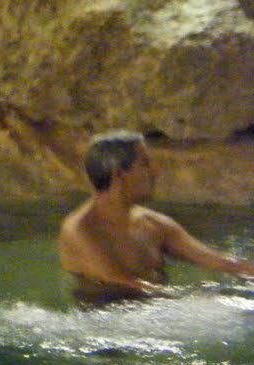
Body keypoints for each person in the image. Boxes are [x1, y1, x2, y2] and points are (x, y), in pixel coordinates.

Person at [57, 130, 254, 304]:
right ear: (119, 175)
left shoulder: (154, 224)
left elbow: (218, 262)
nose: (155, 171)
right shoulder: (80, 229)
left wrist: (248, 271)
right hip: (104, 332)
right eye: (145, 163)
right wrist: (199, 303)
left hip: (160, 316)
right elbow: (119, 282)